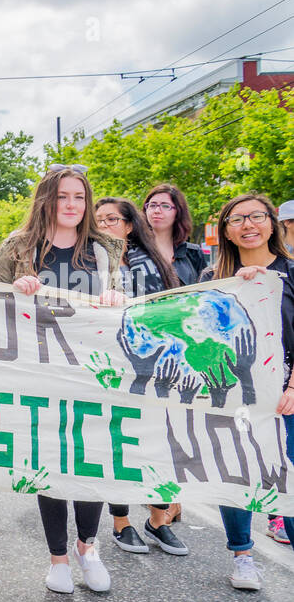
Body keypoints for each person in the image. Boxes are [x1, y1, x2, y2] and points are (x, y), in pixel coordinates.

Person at [0, 165, 124, 594]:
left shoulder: (104, 248)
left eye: (79, 197)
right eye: (63, 196)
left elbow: (123, 303)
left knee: (92, 461)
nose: (72, 205)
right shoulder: (19, 245)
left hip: (93, 372)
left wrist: (116, 298)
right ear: (46, 200)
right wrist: (15, 289)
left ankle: (88, 548)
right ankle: (58, 559)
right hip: (39, 373)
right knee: (50, 463)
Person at [198, 193, 294, 590]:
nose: (248, 224)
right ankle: (242, 556)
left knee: (287, 474)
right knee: (235, 474)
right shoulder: (211, 280)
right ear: (226, 232)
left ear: (273, 224)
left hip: (285, 396)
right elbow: (198, 336)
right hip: (232, 395)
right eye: (237, 219)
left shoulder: (291, 272)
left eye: (257, 216)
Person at [93, 196, 190, 557]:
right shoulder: (87, 264)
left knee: (159, 444)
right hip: (107, 370)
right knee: (117, 446)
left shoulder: (150, 264)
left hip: (154, 368)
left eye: (112, 219)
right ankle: (121, 522)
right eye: (98, 220)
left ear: (130, 225)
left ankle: (157, 521)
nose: (104, 226)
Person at [142, 184, 207, 287]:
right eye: (152, 205)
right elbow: (130, 291)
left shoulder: (193, 253)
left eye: (165, 206)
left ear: (178, 212)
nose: (157, 211)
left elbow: (205, 292)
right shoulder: (134, 252)